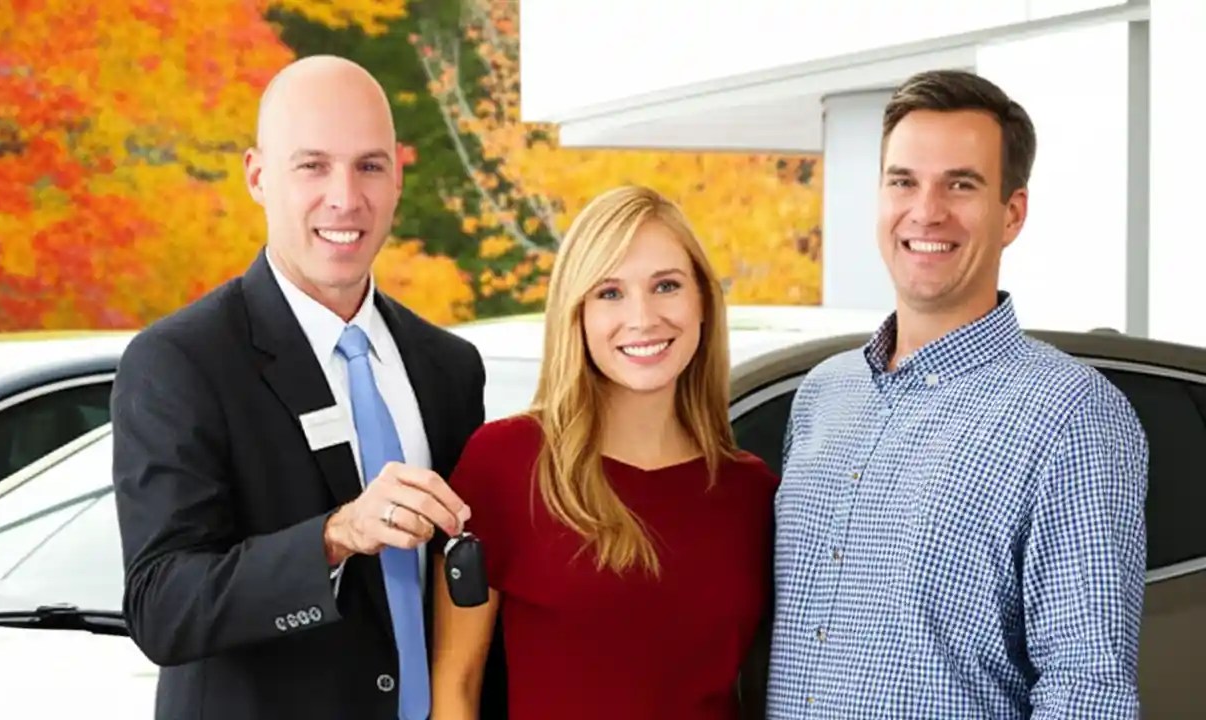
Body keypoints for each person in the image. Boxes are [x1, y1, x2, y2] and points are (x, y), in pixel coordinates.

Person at [111, 55, 497, 720]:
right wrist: (336, 536)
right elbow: (162, 608)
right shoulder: (179, 361)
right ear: (258, 177)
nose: (345, 197)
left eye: (369, 165)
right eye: (313, 165)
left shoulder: (449, 367)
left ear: (397, 178)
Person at [767, 69, 1148, 718]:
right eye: (903, 182)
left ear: (1012, 214)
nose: (927, 211)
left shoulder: (1072, 416)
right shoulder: (823, 398)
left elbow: (1087, 691)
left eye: (961, 184)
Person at [429, 185, 781, 720]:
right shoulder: (504, 463)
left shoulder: (751, 491)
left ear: (703, 303)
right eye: (610, 292)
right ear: (577, 313)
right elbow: (456, 687)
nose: (642, 317)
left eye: (666, 286)